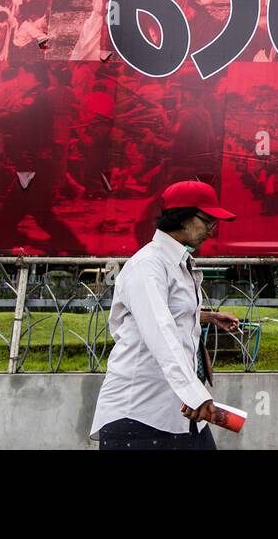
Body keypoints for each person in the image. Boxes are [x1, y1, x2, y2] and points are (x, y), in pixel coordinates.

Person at [91, 181, 240, 450]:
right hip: (139, 416)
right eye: (207, 220)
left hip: (183, 413)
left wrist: (205, 316)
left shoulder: (180, 264)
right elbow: (159, 329)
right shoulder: (148, 265)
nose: (211, 229)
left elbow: (169, 313)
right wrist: (194, 393)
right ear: (181, 218)